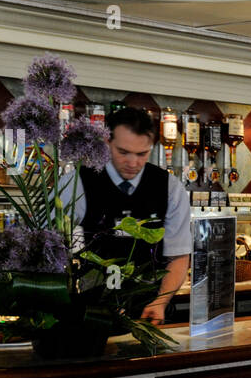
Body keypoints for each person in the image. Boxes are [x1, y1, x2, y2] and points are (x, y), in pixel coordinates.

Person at [59, 106, 190, 324]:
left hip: (150, 309)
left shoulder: (169, 187)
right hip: (91, 310)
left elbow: (179, 256)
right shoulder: (77, 183)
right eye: (123, 152)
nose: (133, 162)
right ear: (107, 143)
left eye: (142, 154)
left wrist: (160, 302)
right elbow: (51, 245)